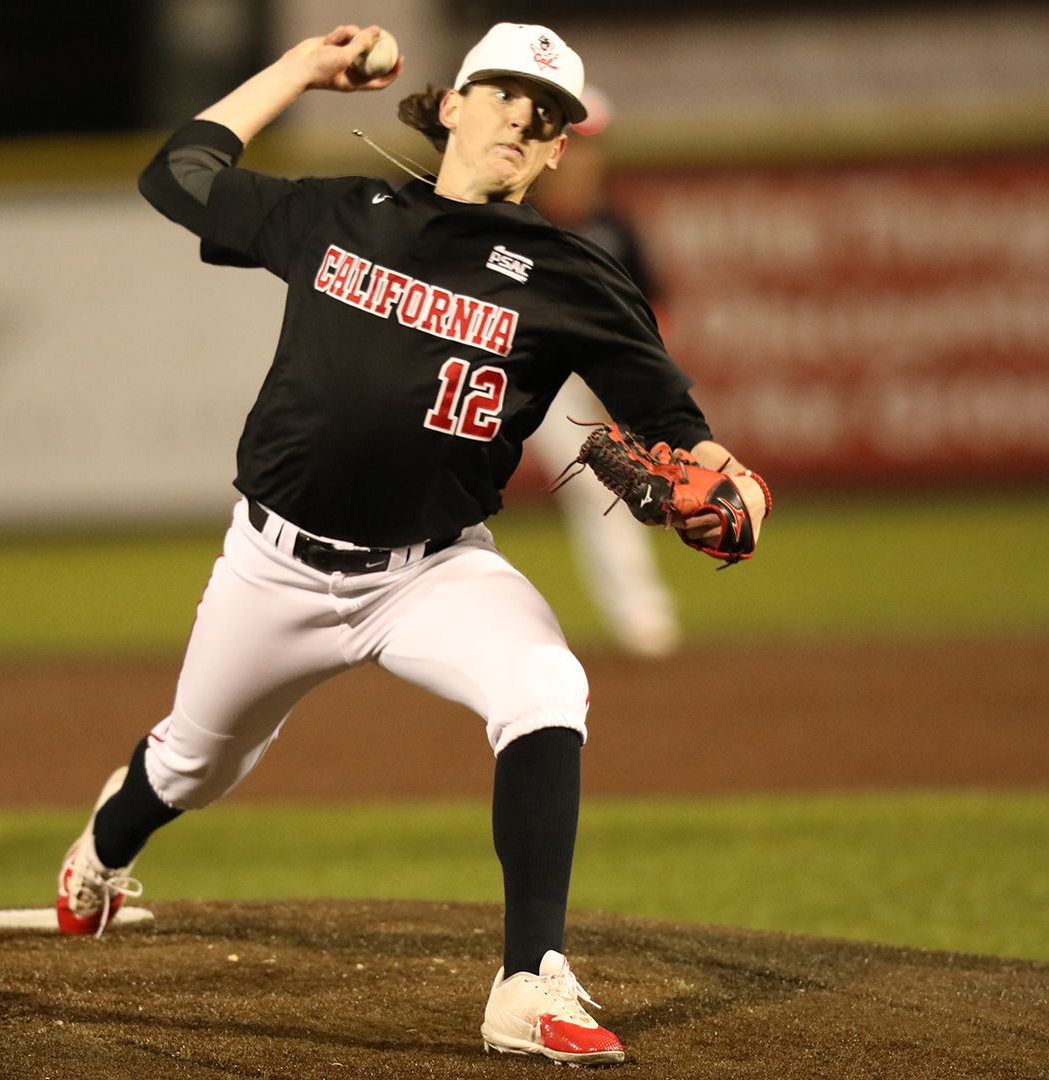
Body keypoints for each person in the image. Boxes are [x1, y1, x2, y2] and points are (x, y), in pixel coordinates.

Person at [55, 23, 756, 1066]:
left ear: (559, 149)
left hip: (432, 571)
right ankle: (105, 849)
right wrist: (298, 69)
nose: (526, 117)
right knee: (195, 765)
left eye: (549, 114)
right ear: (455, 104)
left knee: (544, 686)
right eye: (509, 93)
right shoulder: (342, 209)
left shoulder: (575, 275)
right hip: (273, 567)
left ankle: (527, 981)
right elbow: (178, 174)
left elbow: (679, 425)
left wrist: (732, 485)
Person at [525, 99, 682, 657]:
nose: (581, 157)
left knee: (603, 484)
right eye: (573, 141)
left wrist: (629, 380)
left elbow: (653, 311)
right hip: (506, 374)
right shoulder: (514, 218)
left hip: (583, 384)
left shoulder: (615, 228)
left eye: (592, 143)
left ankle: (641, 614)